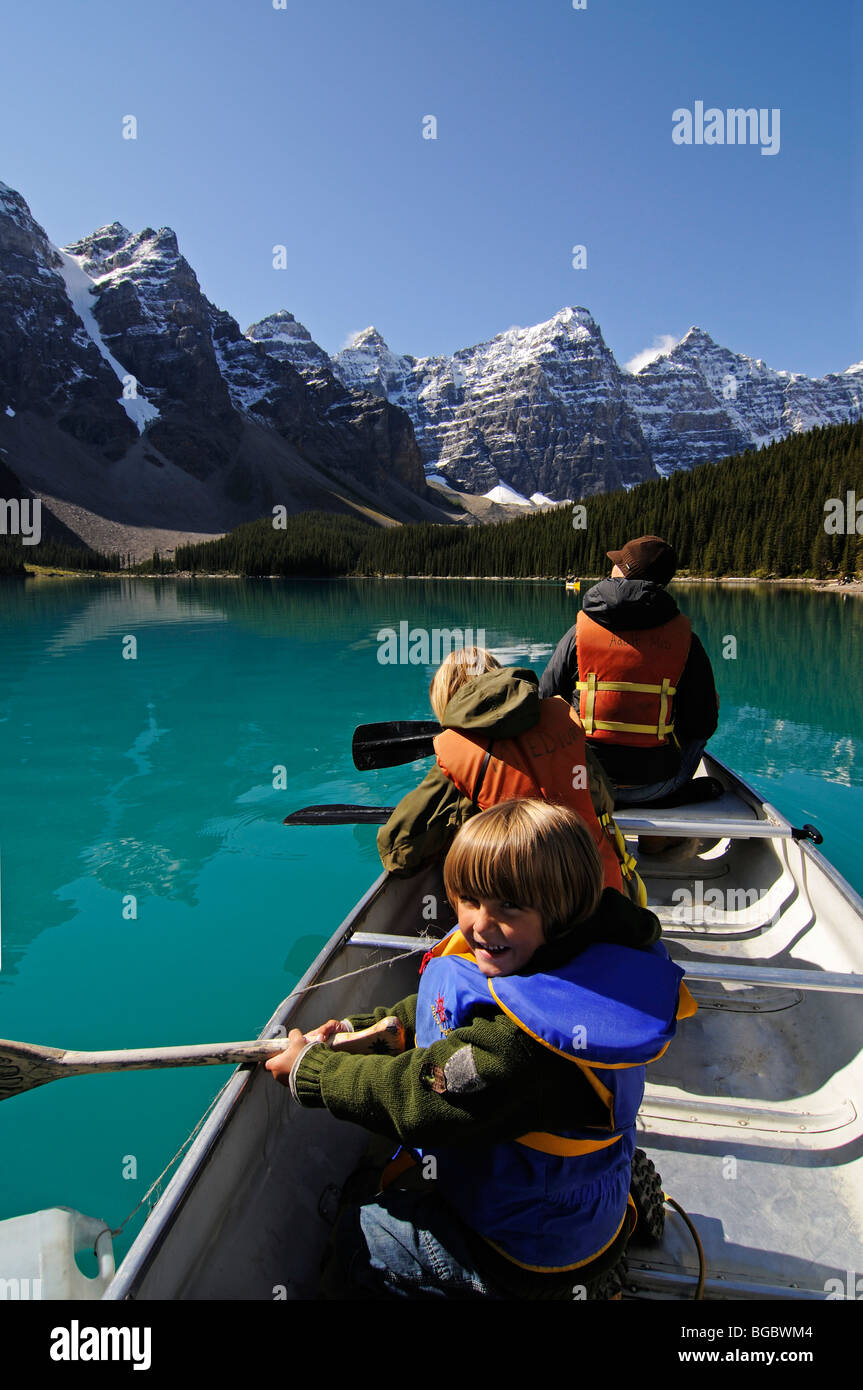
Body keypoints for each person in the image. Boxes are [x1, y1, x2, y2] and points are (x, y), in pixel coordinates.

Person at [266, 799, 695, 1300]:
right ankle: (617, 1224)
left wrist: (311, 1072)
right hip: (574, 1206)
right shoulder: (552, 953)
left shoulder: (524, 1048)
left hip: (525, 1258)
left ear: (562, 907)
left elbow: (419, 1100)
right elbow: (448, 1002)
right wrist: (370, 1029)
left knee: (362, 1234)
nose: (480, 925)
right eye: (467, 899)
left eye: (508, 907)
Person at [377, 646, 638, 897]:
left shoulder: (457, 756)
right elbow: (605, 800)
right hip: (604, 891)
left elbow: (398, 850)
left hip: (530, 917)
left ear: (445, 700)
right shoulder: (563, 721)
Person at [539, 535, 719, 811]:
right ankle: (668, 797)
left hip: (582, 780)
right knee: (706, 706)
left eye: (619, 563)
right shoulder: (686, 640)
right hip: (655, 786)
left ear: (626, 573)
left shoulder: (580, 631)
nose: (612, 566)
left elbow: (546, 699)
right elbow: (702, 724)